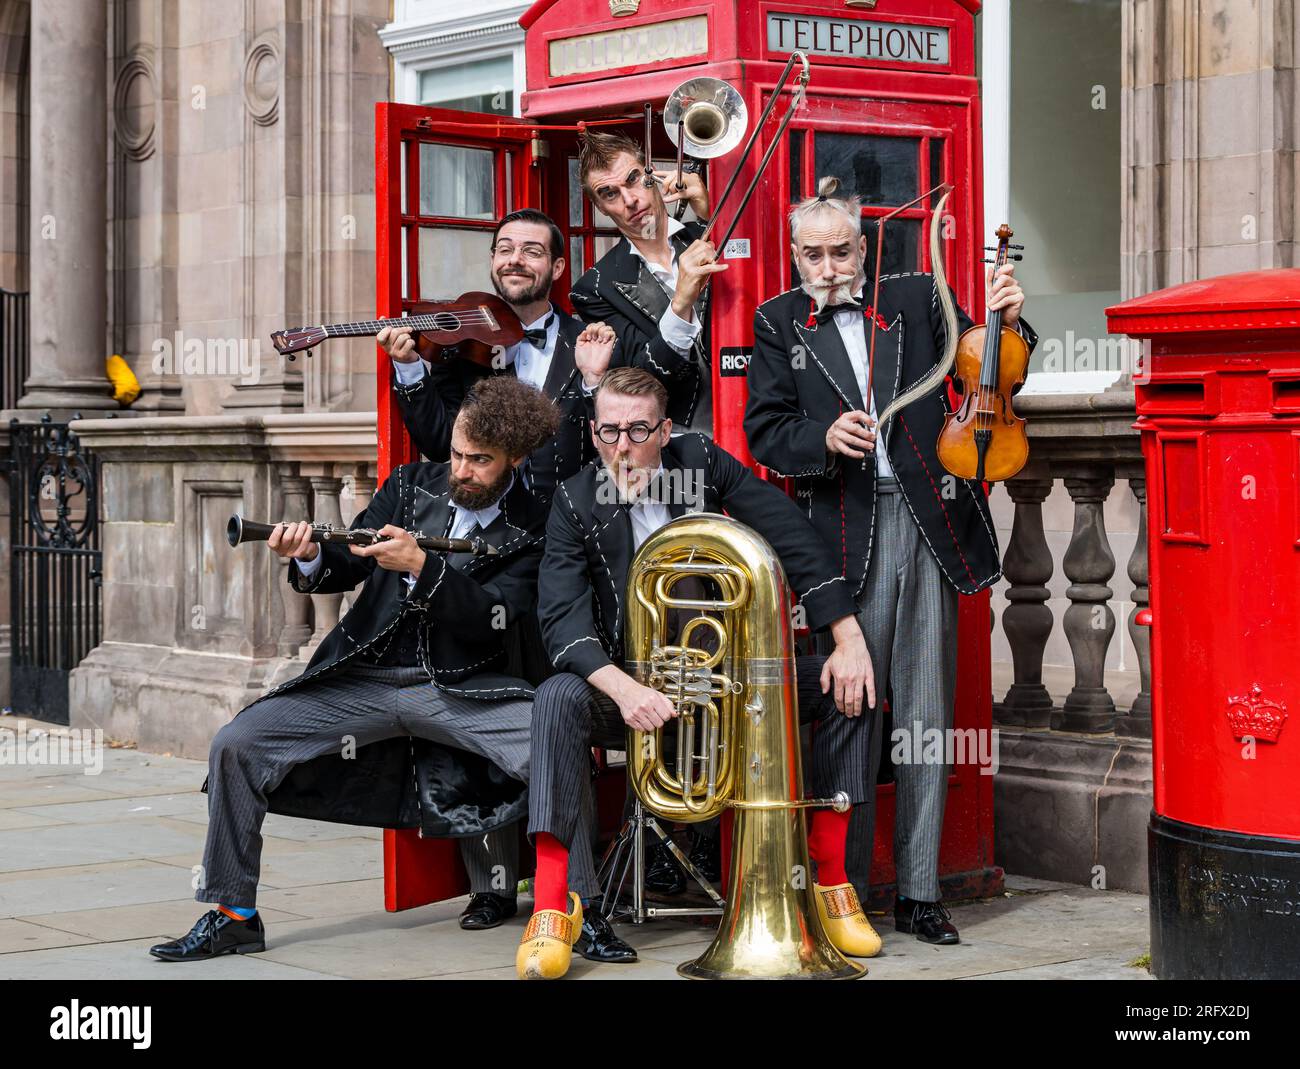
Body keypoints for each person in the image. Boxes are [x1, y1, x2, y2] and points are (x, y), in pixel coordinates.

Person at [148, 378, 558, 961]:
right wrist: (311, 553)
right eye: (457, 453)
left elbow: (497, 618)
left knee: (552, 743)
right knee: (239, 743)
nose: (461, 470)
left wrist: (424, 568)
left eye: (480, 461)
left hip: (461, 688)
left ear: (514, 458)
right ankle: (233, 913)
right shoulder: (412, 486)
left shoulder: (536, 522)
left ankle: (564, 909)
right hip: (367, 677)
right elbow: (345, 562)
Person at [744, 176, 1037, 945]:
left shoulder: (913, 296)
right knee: (851, 710)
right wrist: (819, 440)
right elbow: (764, 432)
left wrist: (1014, 316)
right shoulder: (777, 322)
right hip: (842, 532)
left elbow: (992, 367)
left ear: (864, 249)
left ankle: (918, 892)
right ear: (794, 255)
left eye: (842, 249)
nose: (830, 265)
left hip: (928, 519)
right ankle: (845, 890)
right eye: (813, 253)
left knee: (925, 718)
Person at [516, 366, 880, 980]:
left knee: (849, 687)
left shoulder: (701, 462)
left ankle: (828, 877)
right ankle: (558, 901)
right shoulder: (576, 498)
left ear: (666, 429)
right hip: (625, 683)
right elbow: (560, 617)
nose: (622, 448)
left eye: (638, 431)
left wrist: (846, 637)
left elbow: (790, 532)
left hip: (723, 679)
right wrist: (626, 689)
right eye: (608, 432)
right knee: (555, 697)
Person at [381, 207, 615, 503]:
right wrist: (409, 367)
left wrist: (594, 382)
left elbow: (612, 444)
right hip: (489, 525)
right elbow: (440, 443)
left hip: (571, 525)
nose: (515, 260)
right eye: (504, 249)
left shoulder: (590, 342)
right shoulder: (462, 345)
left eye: (531, 251)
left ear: (557, 268)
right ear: (493, 260)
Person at [569, 130, 723, 434]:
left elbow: (775, 287)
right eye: (609, 193)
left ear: (652, 174)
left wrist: (714, 215)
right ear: (600, 207)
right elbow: (642, 383)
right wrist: (680, 304)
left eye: (633, 179)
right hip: (684, 446)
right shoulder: (596, 288)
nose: (629, 200)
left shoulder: (710, 230)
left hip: (762, 426)